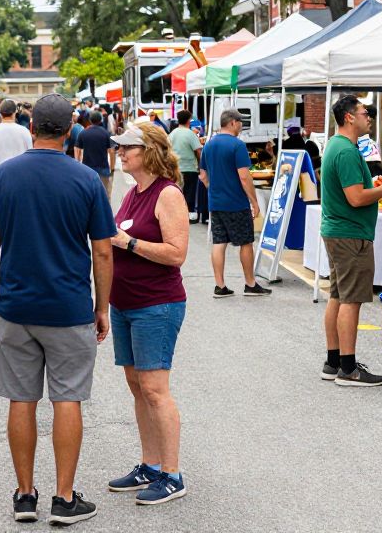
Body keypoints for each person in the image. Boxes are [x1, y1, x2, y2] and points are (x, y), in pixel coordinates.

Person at [0, 93, 115, 525]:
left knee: (21, 398)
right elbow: (103, 252)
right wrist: (101, 307)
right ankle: (64, 497)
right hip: (69, 306)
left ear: (31, 127)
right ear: (70, 129)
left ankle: (23, 495)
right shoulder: (87, 179)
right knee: (67, 398)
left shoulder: (2, 177)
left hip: (17, 305)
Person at [107, 123, 188, 505]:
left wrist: (130, 242)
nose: (120, 153)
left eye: (128, 147)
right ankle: (150, 464)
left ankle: (172, 474)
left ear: (150, 150)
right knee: (138, 387)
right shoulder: (131, 192)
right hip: (125, 303)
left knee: (155, 389)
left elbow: (176, 253)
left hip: (156, 303)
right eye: (119, 147)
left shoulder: (167, 194)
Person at [320, 95, 382, 387]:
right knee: (351, 300)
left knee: (339, 296)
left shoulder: (337, 146)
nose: (369, 117)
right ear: (349, 117)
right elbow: (355, 198)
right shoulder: (347, 151)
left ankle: (334, 360)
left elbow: (352, 192)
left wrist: (374, 187)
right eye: (364, 113)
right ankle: (348, 369)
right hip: (350, 233)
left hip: (339, 230)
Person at [199, 109, 271, 298]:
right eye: (240, 122)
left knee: (219, 242)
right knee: (246, 242)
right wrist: (254, 201)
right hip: (236, 202)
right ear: (232, 122)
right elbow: (244, 177)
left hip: (216, 202)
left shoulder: (209, 144)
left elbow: (203, 175)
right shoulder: (237, 145)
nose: (241, 126)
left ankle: (220, 285)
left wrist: (213, 190)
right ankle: (250, 283)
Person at [0, 98, 33, 172]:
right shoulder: (25, 132)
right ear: (15, 112)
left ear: (0, 113)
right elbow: (30, 155)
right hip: (19, 173)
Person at [169, 110, 202, 223]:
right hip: (190, 168)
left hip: (175, 168)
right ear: (188, 120)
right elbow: (198, 151)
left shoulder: (172, 134)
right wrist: (200, 165)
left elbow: (167, 151)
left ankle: (176, 215)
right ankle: (190, 215)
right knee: (190, 192)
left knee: (177, 192)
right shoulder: (190, 134)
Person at [75, 111, 116, 195]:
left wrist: (78, 165)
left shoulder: (83, 133)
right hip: (103, 168)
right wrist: (112, 168)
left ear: (90, 120)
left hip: (87, 169)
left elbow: (77, 150)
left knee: (88, 195)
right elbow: (112, 151)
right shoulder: (106, 133)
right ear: (101, 120)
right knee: (104, 194)